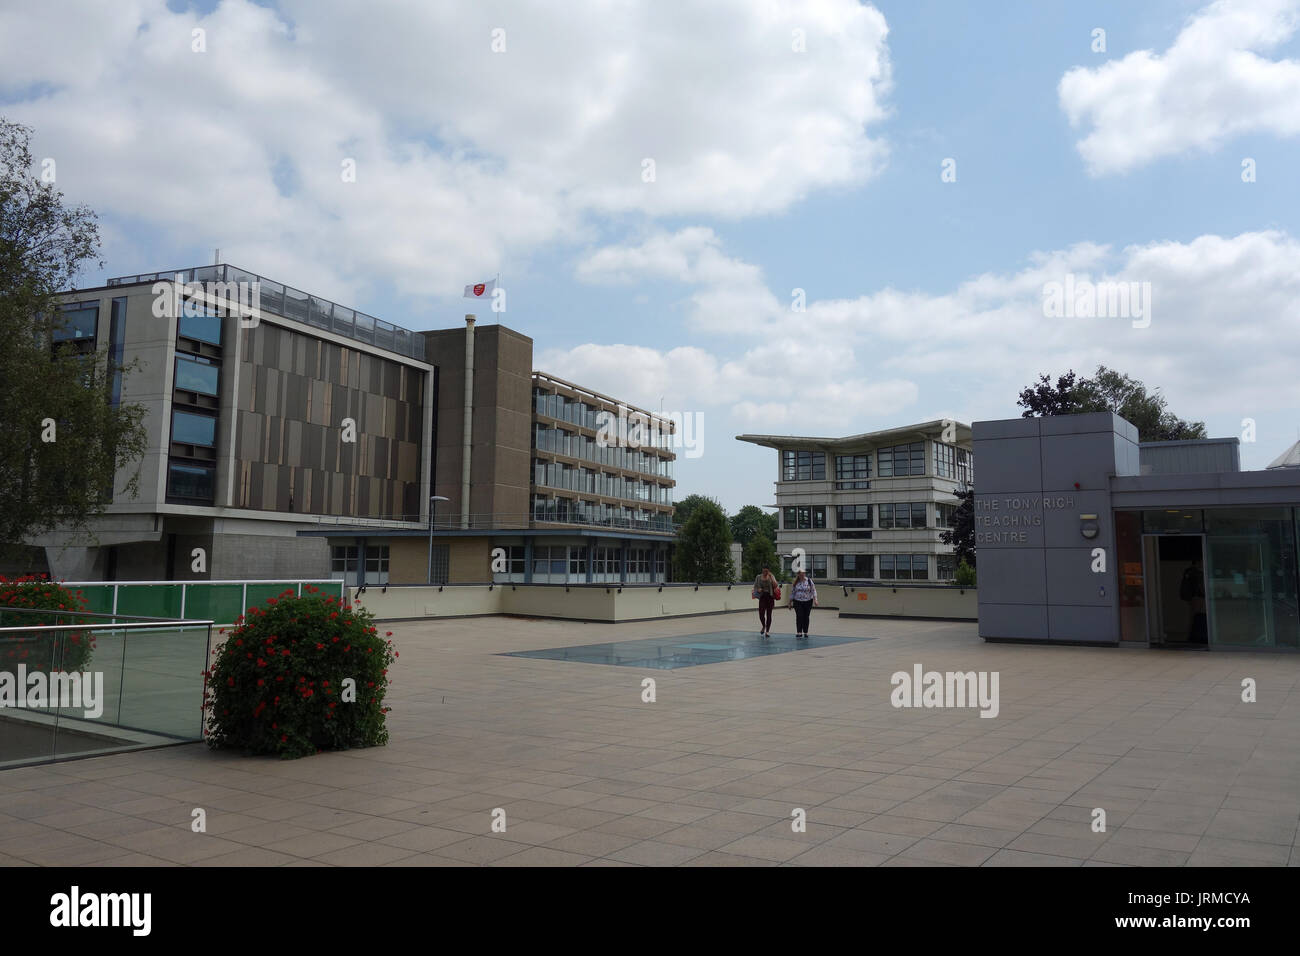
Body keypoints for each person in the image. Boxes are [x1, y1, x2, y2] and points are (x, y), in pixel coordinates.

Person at [1181, 557, 1207, 644]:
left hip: (1192, 597)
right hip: (1197, 597)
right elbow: (1199, 586)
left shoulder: (1188, 571)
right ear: (1198, 562)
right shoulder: (1197, 573)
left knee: (1193, 616)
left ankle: (1192, 635)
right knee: (1196, 616)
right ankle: (1195, 635)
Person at [787, 569, 819, 639]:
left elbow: (813, 591)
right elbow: (792, 593)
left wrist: (815, 600)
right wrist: (789, 603)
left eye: (803, 574)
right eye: (800, 574)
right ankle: (799, 632)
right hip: (797, 601)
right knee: (799, 616)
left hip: (808, 601)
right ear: (798, 574)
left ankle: (805, 632)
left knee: (806, 616)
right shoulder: (796, 582)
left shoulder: (809, 581)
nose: (802, 575)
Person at [752, 565, 778, 637]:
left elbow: (776, 585)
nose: (765, 572)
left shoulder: (771, 576)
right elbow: (755, 586)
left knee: (769, 614)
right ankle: (764, 626)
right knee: (761, 614)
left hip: (770, 596)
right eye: (763, 571)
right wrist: (758, 589)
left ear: (768, 571)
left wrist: (772, 578)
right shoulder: (758, 577)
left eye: (766, 571)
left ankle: (767, 631)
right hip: (762, 597)